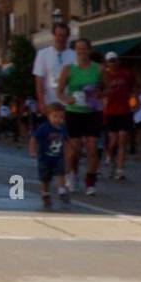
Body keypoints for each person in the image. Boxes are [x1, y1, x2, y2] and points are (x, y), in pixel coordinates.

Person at [57, 37, 104, 195]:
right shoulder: (68, 69)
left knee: (92, 147)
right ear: (75, 51)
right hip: (74, 112)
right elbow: (59, 91)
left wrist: (100, 94)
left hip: (92, 112)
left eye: (84, 48)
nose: (81, 52)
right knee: (74, 149)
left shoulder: (98, 69)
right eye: (78, 49)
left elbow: (107, 88)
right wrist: (66, 99)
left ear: (89, 50)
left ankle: (90, 183)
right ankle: (72, 175)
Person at [101, 51, 136, 180]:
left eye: (114, 60)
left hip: (124, 111)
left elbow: (133, 89)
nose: (113, 63)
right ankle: (109, 156)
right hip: (110, 112)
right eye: (110, 61)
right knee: (113, 141)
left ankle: (120, 169)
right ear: (106, 63)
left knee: (122, 139)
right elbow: (99, 92)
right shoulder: (105, 76)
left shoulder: (126, 74)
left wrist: (134, 102)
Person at [29, 100, 68, 208]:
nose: (58, 120)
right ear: (48, 116)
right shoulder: (44, 128)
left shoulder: (62, 128)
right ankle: (45, 193)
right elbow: (33, 138)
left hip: (58, 157)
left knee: (61, 172)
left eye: (61, 117)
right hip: (45, 158)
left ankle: (62, 190)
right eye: (55, 116)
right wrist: (32, 151)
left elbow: (66, 140)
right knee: (45, 178)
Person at [33, 20, 75, 118]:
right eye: (58, 35)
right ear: (54, 35)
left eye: (64, 36)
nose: (61, 38)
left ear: (68, 37)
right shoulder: (43, 54)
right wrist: (41, 102)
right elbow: (39, 80)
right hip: (50, 102)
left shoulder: (73, 55)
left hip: (69, 102)